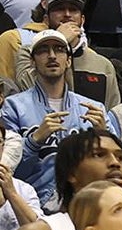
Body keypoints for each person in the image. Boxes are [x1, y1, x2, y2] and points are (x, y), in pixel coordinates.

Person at [3, 30, 108, 204]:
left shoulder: (94, 108)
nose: (52, 56)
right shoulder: (13, 107)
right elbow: (9, 173)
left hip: (85, 204)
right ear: (32, 62)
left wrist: (104, 137)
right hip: (35, 206)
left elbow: (113, 170)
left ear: (68, 61)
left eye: (59, 49)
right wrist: (34, 140)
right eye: (43, 50)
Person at [3, 0, 121, 110]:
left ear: (82, 19)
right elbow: (29, 89)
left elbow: (111, 111)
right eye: (59, 9)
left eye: (73, 10)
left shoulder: (101, 63)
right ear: (46, 19)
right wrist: (60, 39)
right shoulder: (28, 52)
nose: (67, 14)